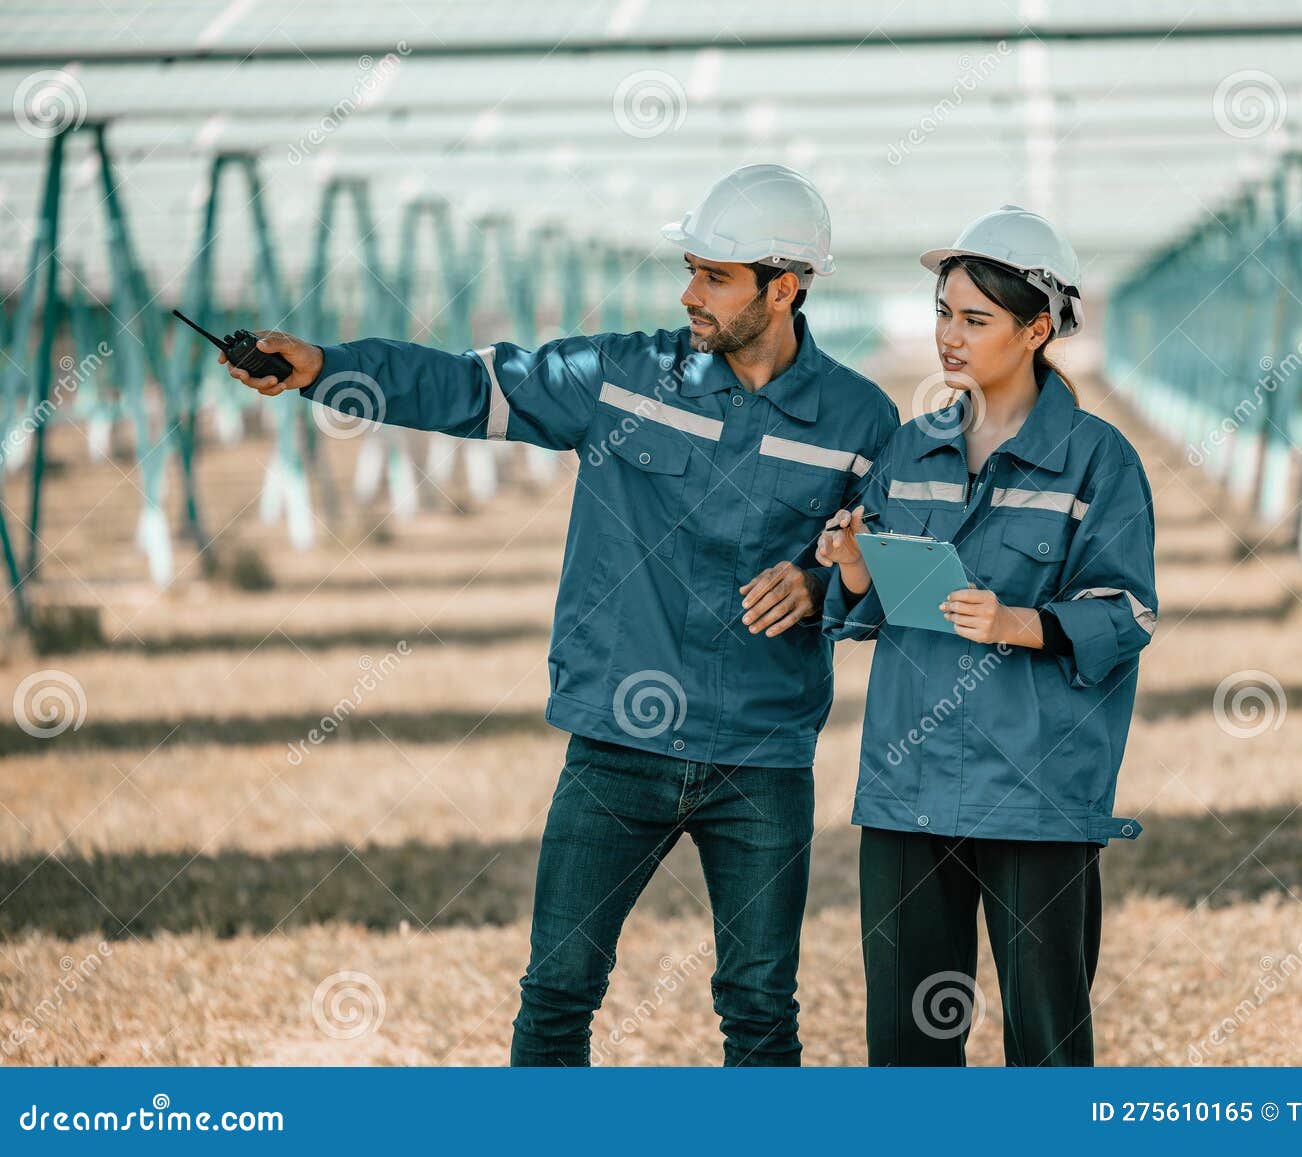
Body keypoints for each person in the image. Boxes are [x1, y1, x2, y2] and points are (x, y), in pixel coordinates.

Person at [220, 163, 901, 1066]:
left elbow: (886, 578)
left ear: (784, 287)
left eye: (715, 275)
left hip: (761, 756)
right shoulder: (622, 376)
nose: (689, 292)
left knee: (760, 1011)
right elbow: (472, 388)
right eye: (691, 267)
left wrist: (825, 588)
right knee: (557, 994)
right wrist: (329, 368)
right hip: (615, 745)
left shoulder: (860, 419)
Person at [814, 206, 1156, 1066]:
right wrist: (853, 564)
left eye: (975, 319)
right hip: (907, 786)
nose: (949, 337)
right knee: (907, 1042)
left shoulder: (1096, 459)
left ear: (1037, 328)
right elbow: (871, 603)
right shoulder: (909, 448)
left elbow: (1129, 613)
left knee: (1046, 1041)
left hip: (1035, 793)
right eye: (942, 314)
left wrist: (1021, 622)